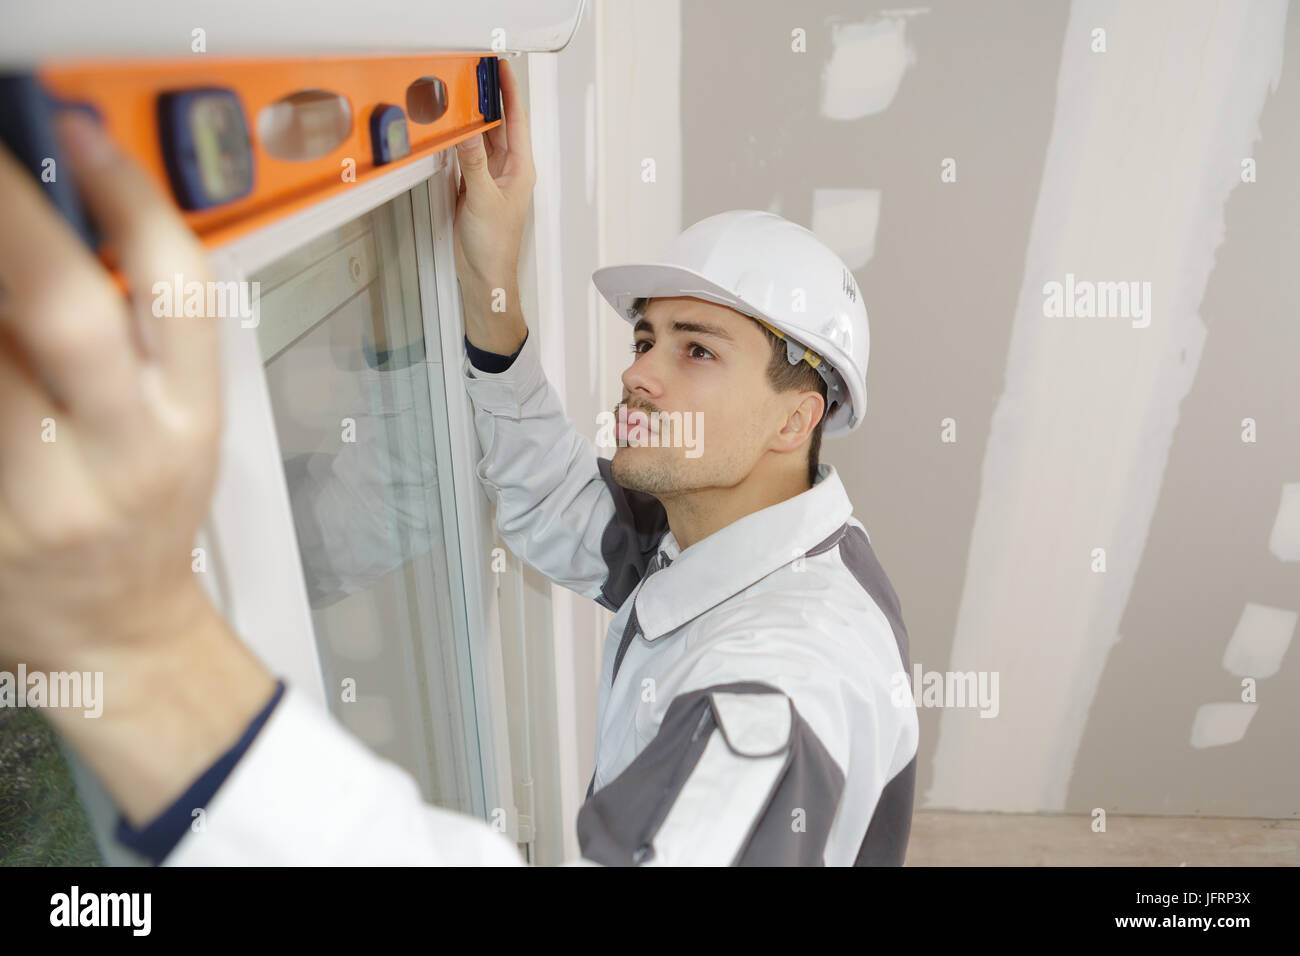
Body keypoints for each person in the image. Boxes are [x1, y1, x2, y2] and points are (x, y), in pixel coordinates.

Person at [0, 57, 916, 865]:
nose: (637, 375)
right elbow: (556, 503)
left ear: (795, 418)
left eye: (696, 350)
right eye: (646, 339)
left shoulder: (777, 692)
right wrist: (492, 270)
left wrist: (138, 643)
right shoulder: (728, 537)